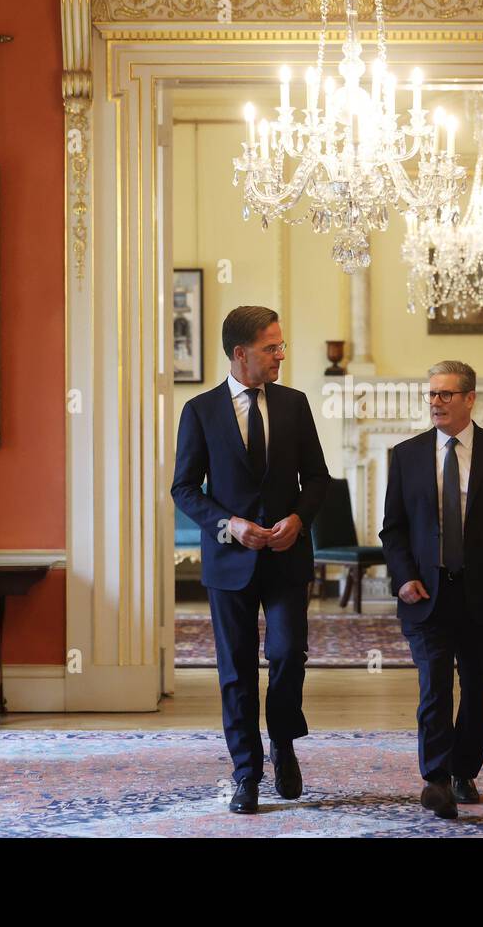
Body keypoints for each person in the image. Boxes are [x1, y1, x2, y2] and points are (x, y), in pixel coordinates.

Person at [171, 305, 329, 814]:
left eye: (281, 345)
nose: (281, 354)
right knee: (236, 670)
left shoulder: (295, 404)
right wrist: (229, 524)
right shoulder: (199, 411)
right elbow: (184, 489)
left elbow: (319, 480)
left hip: (286, 558)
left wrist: (299, 521)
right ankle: (246, 773)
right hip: (229, 562)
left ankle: (282, 742)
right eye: (271, 347)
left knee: (286, 656)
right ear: (241, 354)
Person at [379, 360, 483, 819]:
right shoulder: (405, 455)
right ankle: (435, 779)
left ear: (470, 398)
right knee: (433, 688)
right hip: (426, 595)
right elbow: (393, 530)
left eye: (446, 395)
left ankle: (465, 770)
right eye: (430, 394)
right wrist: (403, 576)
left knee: (476, 689)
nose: (436, 402)